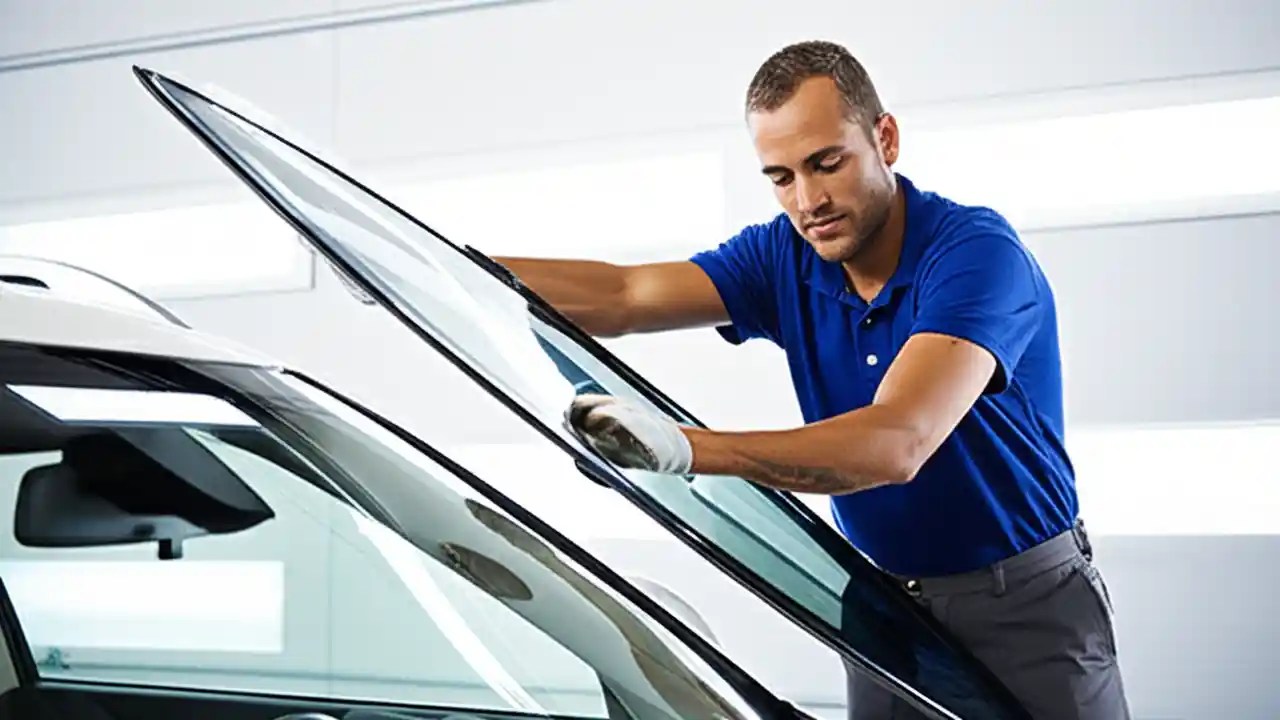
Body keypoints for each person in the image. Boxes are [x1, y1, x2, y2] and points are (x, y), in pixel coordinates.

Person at [496, 40, 1130, 719]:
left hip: (1023, 608)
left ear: (884, 138)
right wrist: (433, 258)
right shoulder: (785, 255)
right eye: (781, 176)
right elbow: (624, 295)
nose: (809, 200)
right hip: (883, 606)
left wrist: (686, 449)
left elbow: (898, 442)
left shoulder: (975, 254)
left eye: (828, 163)